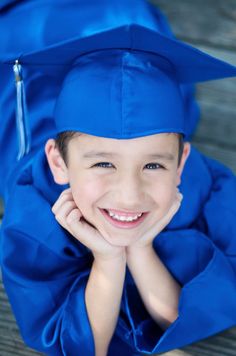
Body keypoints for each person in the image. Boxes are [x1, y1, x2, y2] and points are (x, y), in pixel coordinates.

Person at [1, 1, 236, 355]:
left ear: (182, 161)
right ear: (58, 162)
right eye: (103, 165)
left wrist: (139, 248)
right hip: (32, 26)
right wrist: (110, 260)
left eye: (154, 165)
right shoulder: (33, 212)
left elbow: (190, 317)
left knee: (140, 49)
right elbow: (78, 344)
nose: (129, 195)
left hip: (127, 24)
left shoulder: (208, 189)